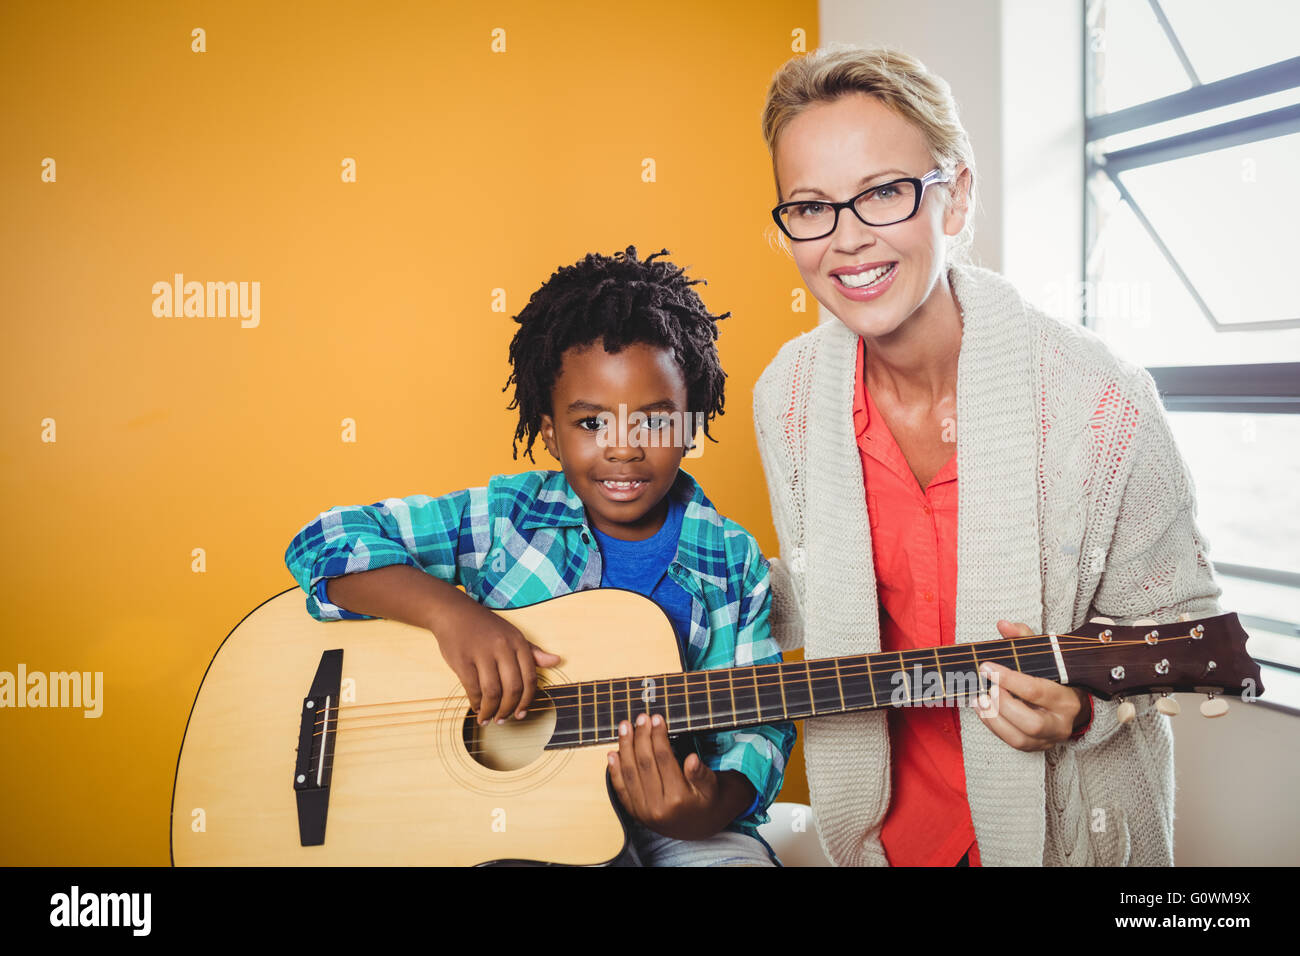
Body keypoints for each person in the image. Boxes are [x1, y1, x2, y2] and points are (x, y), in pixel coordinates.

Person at [751, 44, 1221, 866]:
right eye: (811, 207)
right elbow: (831, 578)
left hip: (1071, 836)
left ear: (956, 197)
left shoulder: (1100, 403)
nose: (848, 241)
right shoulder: (786, 399)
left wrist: (1081, 711)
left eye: (885, 193)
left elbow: (1187, 633)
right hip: (884, 843)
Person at [285, 245, 796, 866]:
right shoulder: (510, 517)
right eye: (590, 424)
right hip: (522, 824)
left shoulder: (730, 558)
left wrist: (706, 805)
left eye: (655, 422)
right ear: (549, 431)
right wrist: (452, 615)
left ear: (692, 425)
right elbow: (325, 539)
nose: (623, 450)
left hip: (675, 821)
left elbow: (759, 724)